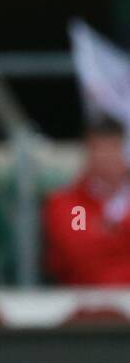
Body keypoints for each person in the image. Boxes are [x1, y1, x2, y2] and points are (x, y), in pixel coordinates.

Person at [44, 116, 130, 285]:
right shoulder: (70, 204)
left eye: (114, 148)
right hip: (86, 304)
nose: (107, 157)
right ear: (87, 153)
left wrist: (110, 229)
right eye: (99, 149)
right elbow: (81, 256)